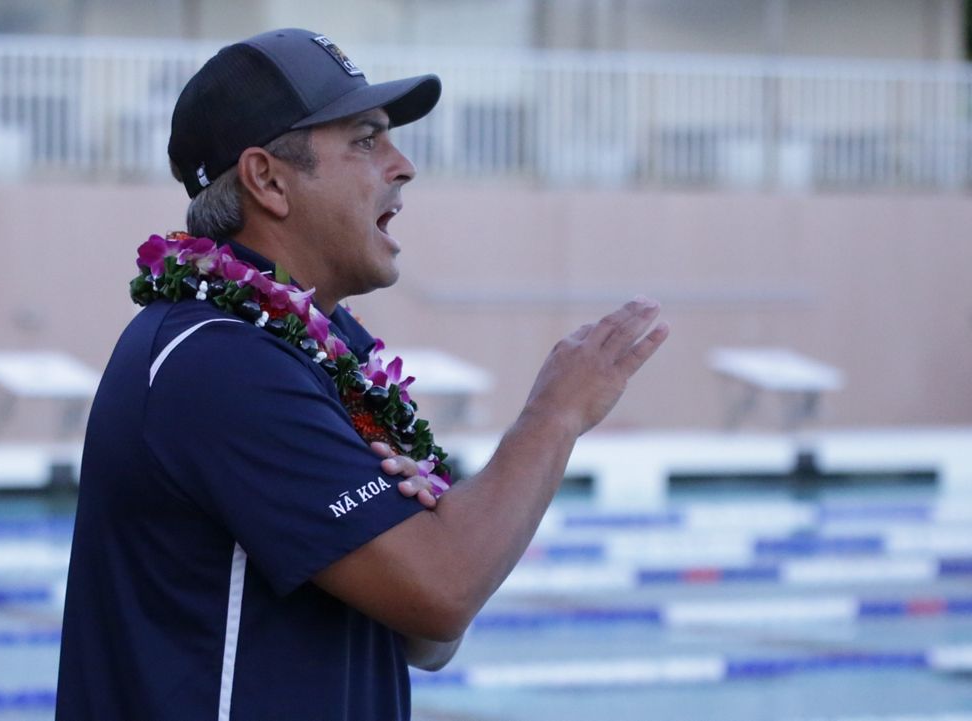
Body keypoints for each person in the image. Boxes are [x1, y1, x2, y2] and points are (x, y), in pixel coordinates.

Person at [55, 28, 668, 721]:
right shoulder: (217, 362)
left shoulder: (313, 343)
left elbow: (427, 635)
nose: (403, 166)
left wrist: (432, 538)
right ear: (268, 180)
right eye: (367, 140)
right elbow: (444, 590)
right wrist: (555, 415)